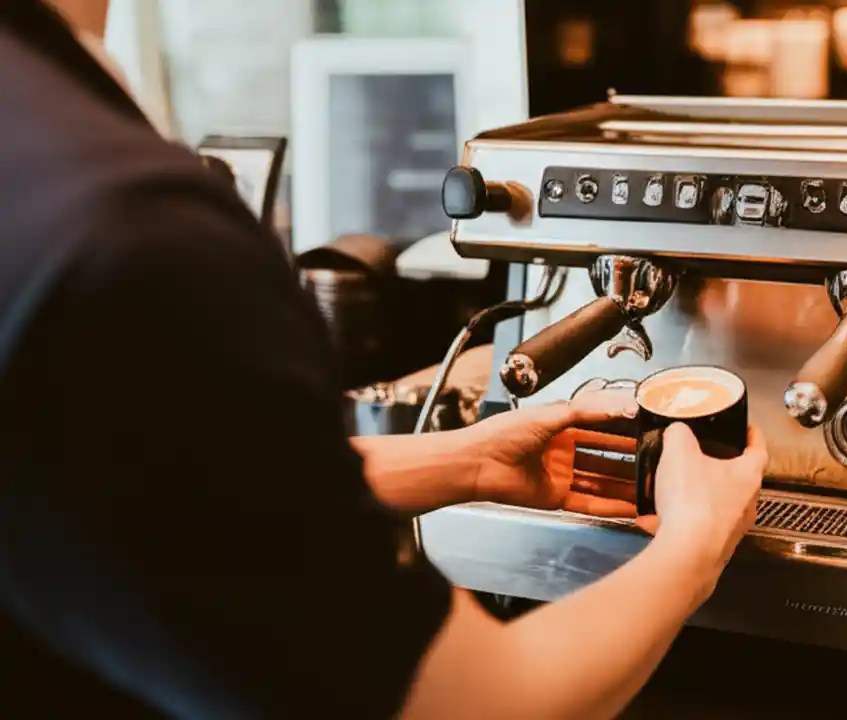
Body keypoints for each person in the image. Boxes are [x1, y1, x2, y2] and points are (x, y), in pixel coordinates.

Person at [0, 2, 768, 718]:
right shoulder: (131, 230)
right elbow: (475, 703)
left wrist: (467, 461)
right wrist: (696, 546)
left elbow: (146, 491)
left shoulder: (37, 144)